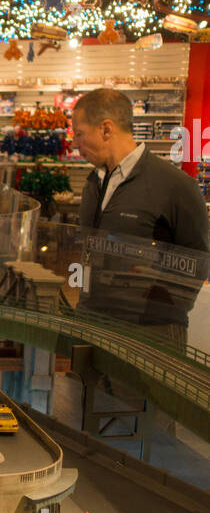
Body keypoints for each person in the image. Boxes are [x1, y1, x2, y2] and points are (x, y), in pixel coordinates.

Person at [72, 88, 210, 347]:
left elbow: (198, 261)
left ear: (106, 129)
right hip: (93, 325)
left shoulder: (176, 186)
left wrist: (157, 301)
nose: (74, 144)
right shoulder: (93, 183)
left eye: (79, 134)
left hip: (149, 335)